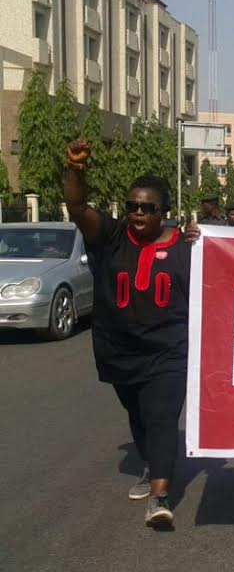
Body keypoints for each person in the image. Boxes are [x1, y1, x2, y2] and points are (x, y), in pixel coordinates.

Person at [62, 140, 199, 527]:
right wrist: (76, 169)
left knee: (160, 417)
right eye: (133, 206)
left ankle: (160, 497)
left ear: (163, 212)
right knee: (137, 414)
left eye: (148, 207)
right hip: (118, 348)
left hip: (169, 350)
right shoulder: (111, 235)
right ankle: (151, 463)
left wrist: (204, 241)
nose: (138, 213)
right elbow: (77, 208)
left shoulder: (185, 247)